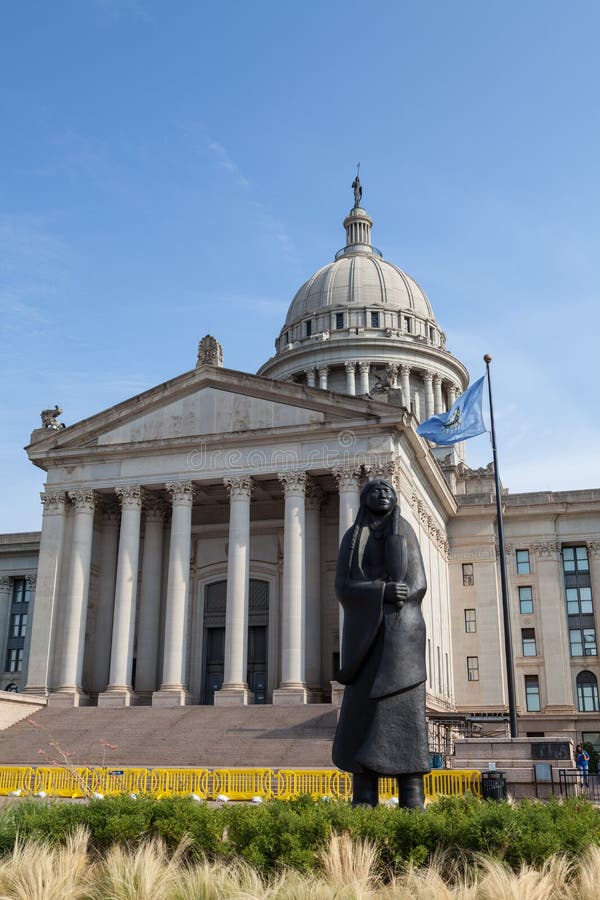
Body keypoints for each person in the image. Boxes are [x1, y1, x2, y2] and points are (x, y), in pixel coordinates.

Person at [332, 478, 430, 808]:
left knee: (407, 718)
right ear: (363, 498)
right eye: (375, 490)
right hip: (366, 643)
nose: (383, 493)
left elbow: (418, 582)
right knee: (362, 717)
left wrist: (399, 593)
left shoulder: (405, 533)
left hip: (402, 642)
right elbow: (343, 588)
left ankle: (413, 797)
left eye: (388, 489)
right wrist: (380, 592)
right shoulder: (352, 538)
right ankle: (363, 797)